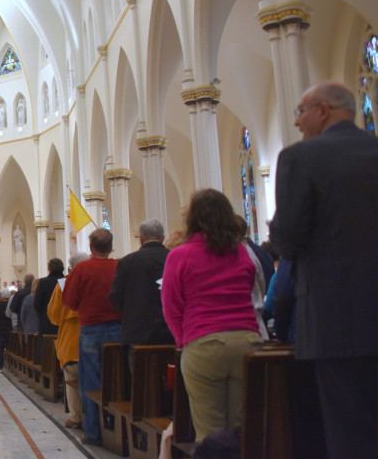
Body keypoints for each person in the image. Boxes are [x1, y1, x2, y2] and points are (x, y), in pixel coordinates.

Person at [270, 82, 378, 459]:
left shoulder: (301, 158)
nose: (297, 122)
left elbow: (288, 238)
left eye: (301, 111)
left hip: (336, 319)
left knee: (350, 433)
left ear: (324, 110)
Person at [161, 189, 262, 443]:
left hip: (204, 343)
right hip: (248, 343)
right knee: (242, 433)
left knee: (210, 434)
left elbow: (171, 307)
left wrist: (184, 340)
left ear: (192, 218)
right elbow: (250, 288)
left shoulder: (180, 255)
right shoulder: (241, 252)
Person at [62, 230, 122, 445]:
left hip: (89, 331)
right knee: (117, 378)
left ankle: (94, 432)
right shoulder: (119, 267)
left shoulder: (82, 269)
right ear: (111, 247)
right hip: (118, 329)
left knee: (91, 381)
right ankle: (117, 429)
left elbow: (69, 301)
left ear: (91, 247)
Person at [108, 219, 174, 370]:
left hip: (138, 332)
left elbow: (116, 299)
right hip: (170, 332)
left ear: (141, 238)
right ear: (162, 238)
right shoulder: (173, 258)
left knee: (140, 383)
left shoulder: (127, 262)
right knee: (171, 384)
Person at [48, 252, 88, 429]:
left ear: (71, 267)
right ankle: (95, 418)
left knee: (72, 377)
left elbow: (54, 315)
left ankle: (75, 416)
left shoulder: (64, 285)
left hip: (71, 339)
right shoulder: (95, 280)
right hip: (94, 337)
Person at [34, 258, 66, 363]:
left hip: (46, 321)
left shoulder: (43, 282)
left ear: (49, 269)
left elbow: (37, 303)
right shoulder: (65, 281)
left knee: (46, 348)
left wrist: (42, 316)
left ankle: (45, 368)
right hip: (63, 320)